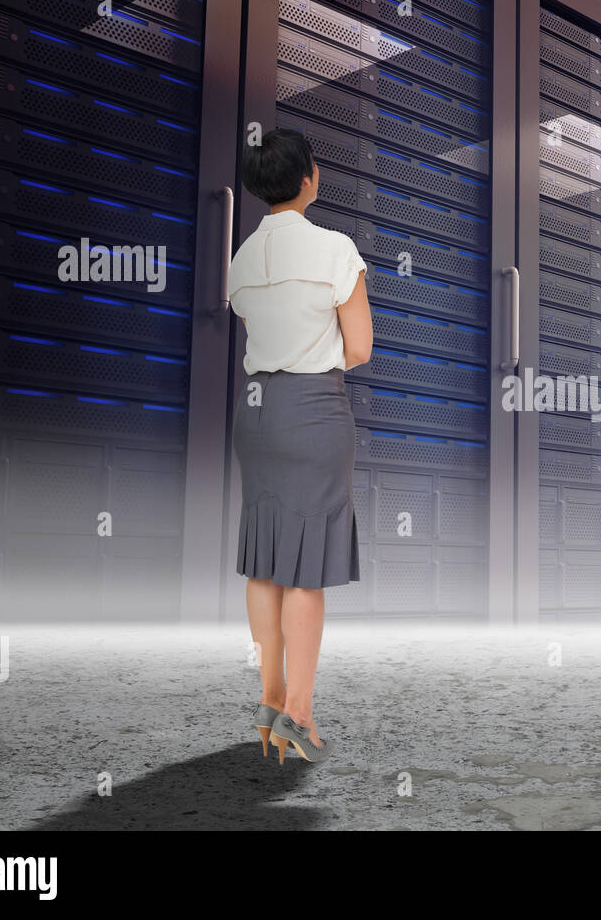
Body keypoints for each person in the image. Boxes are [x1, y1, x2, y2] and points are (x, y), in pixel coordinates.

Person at [228, 128, 372, 764]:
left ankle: (270, 696)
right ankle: (301, 714)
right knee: (306, 565)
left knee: (265, 556)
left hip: (256, 413)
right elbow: (360, 348)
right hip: (313, 411)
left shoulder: (240, 259)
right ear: (309, 177)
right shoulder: (336, 249)